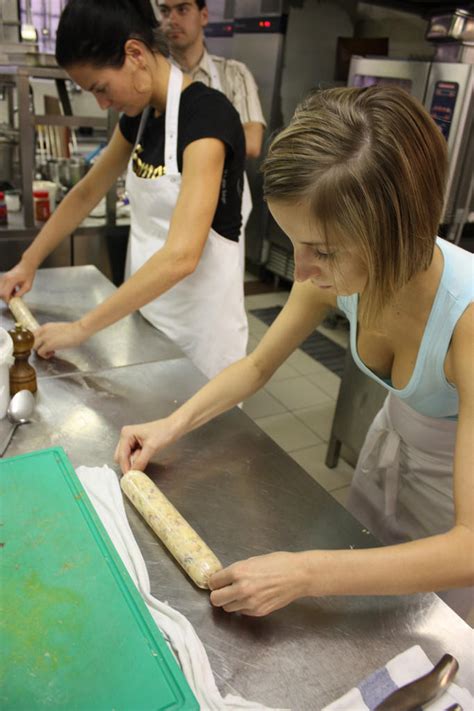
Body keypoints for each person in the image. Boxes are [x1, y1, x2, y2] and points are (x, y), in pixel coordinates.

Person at [115, 86, 474, 619]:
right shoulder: (347, 265)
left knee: (436, 630)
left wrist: (306, 572)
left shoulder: (466, 323)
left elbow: (466, 548)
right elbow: (259, 365)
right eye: (295, 244)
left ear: (394, 236)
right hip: (390, 451)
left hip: (453, 501)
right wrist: (174, 424)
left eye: (322, 252)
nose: (301, 272)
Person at [0, 0, 248, 380]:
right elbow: (87, 192)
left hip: (199, 334)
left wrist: (80, 329)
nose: (102, 103)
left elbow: (182, 255)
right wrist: (28, 261)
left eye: (101, 88)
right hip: (146, 315)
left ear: (135, 54)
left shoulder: (207, 120)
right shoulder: (144, 114)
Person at [156, 0, 266, 159]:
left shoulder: (235, 74)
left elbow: (251, 142)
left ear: (204, 16)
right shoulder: (153, 76)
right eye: (165, 11)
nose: (172, 20)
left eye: (182, 9)